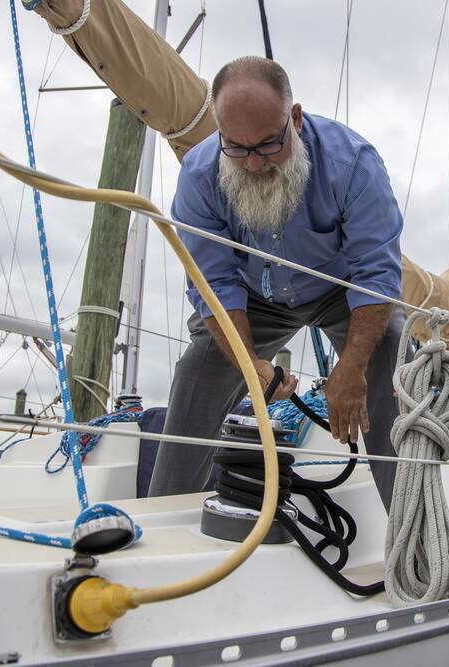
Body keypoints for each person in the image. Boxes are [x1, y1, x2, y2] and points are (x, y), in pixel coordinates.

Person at [147, 56, 404, 511]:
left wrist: (351, 368)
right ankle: (165, 531)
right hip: (251, 298)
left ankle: (415, 540)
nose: (253, 164)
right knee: (198, 373)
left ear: (296, 119)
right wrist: (251, 364)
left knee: (390, 363)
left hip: (343, 292)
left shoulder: (354, 164)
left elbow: (376, 276)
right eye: (237, 148)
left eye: (268, 145)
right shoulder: (199, 177)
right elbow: (215, 284)